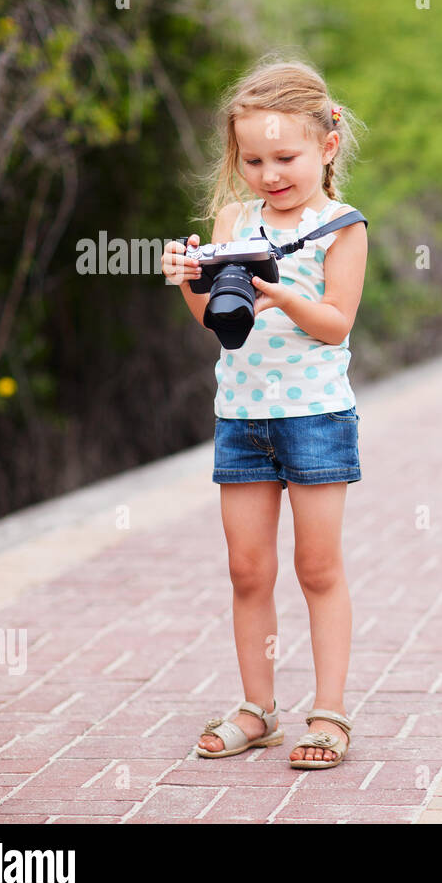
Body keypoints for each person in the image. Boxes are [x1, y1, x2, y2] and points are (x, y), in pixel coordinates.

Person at [161, 55, 369, 768]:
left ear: (326, 145)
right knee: (247, 570)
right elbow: (218, 323)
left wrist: (282, 294)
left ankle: (330, 713)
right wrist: (190, 280)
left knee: (317, 566)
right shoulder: (233, 217)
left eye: (286, 157)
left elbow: (337, 322)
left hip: (314, 416)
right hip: (242, 416)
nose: (269, 174)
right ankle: (258, 709)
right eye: (253, 159)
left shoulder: (342, 226)